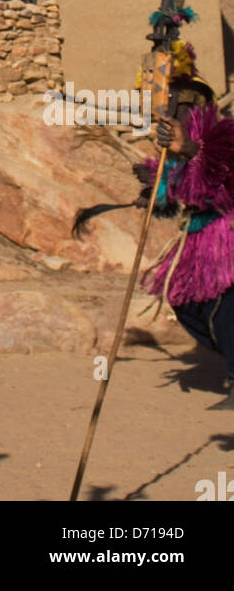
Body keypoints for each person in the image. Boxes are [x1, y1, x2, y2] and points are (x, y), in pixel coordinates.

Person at [135, 43, 234, 409]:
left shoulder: (222, 138)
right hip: (195, 238)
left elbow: (220, 177)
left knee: (226, 304)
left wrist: (189, 147)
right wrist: (155, 186)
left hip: (226, 234)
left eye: (183, 104)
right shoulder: (172, 148)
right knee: (185, 301)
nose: (177, 111)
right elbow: (176, 193)